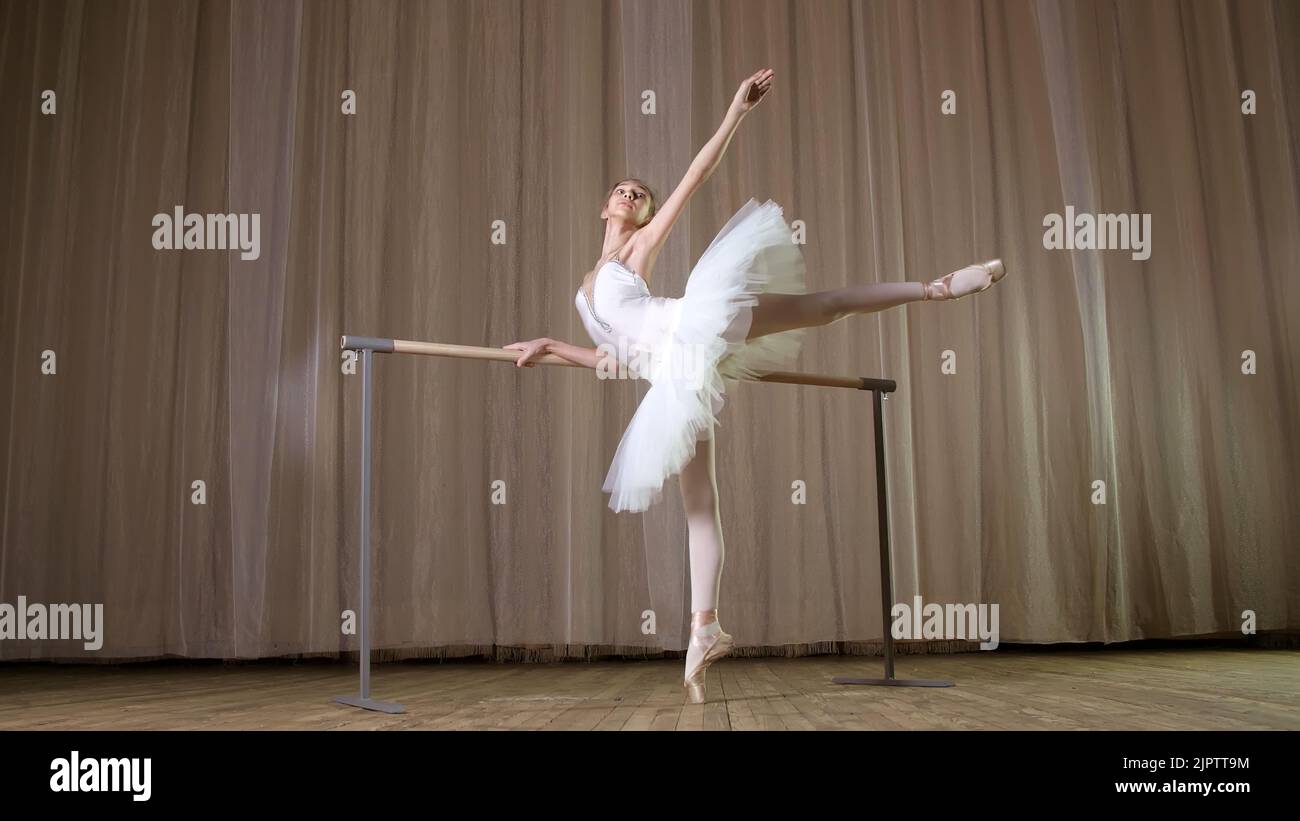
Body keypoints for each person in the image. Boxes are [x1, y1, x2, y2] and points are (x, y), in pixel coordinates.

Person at [505, 68, 1006, 703]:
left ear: (646, 214)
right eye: (622, 191)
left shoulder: (636, 254)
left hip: (691, 327)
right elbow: (616, 359)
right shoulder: (589, 280)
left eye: (640, 194)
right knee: (698, 506)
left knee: (823, 306)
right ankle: (704, 628)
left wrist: (734, 113)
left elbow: (694, 176)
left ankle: (936, 288)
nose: (631, 195)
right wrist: (551, 345)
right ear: (605, 205)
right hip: (672, 373)